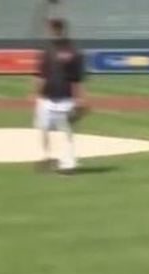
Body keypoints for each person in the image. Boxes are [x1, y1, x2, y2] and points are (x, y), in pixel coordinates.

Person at [33, 18, 86, 173]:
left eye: (57, 28)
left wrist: (79, 98)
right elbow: (40, 75)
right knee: (43, 129)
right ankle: (47, 157)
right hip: (47, 98)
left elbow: (77, 78)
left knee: (66, 132)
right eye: (53, 28)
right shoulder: (47, 50)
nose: (54, 31)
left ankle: (68, 164)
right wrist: (37, 94)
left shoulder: (73, 51)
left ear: (62, 29)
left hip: (65, 98)